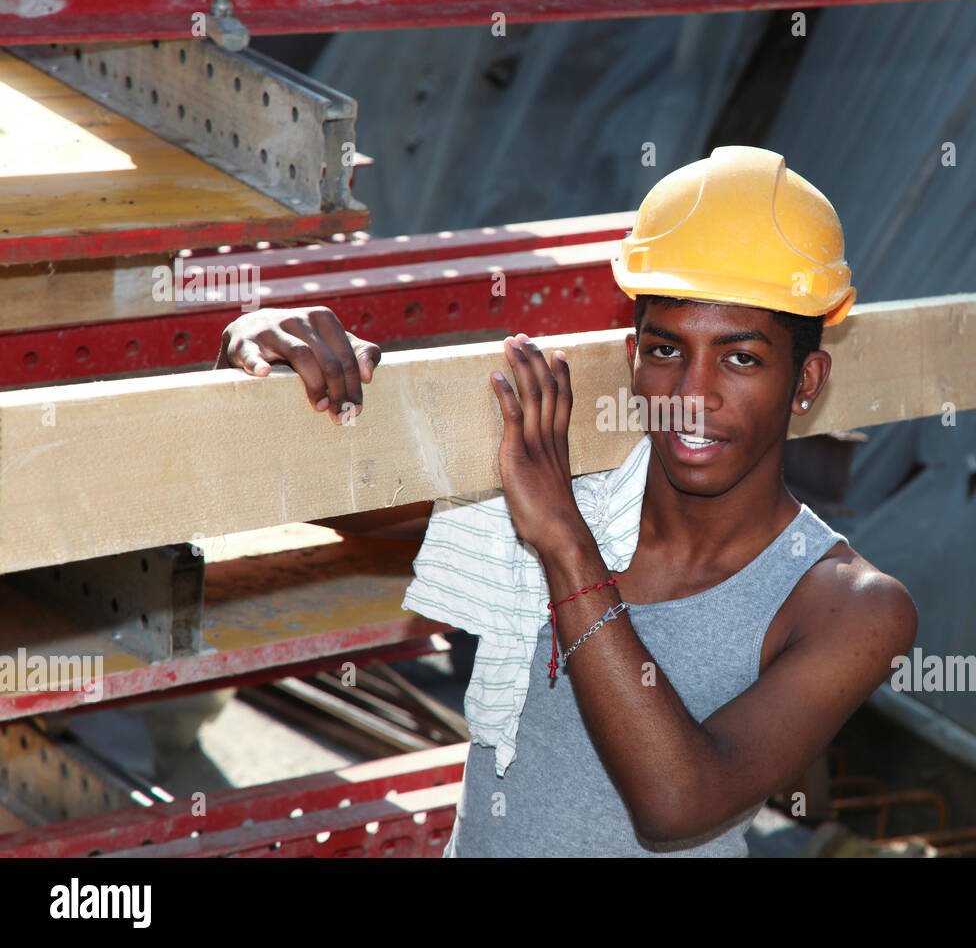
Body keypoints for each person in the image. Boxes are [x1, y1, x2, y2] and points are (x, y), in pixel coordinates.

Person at [216, 146, 918, 856]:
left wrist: (564, 542)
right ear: (631, 355)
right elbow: (302, 488)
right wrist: (262, 365)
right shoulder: (571, 487)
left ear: (806, 380)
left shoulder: (848, 605)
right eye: (668, 351)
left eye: (741, 358)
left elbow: (677, 804)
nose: (691, 397)